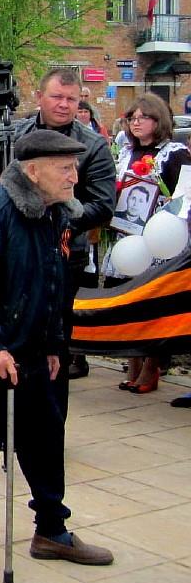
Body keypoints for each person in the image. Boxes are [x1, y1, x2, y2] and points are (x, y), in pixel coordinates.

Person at [0, 129, 114, 569]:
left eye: (75, 166)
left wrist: (55, 342)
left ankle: (52, 531)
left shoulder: (55, 213)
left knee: (45, 441)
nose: (75, 177)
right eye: (65, 168)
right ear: (32, 171)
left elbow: (53, 285)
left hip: (36, 354)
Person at [0, 67, 115, 385]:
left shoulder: (93, 145)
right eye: (57, 96)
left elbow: (102, 206)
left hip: (64, 249)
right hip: (8, 247)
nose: (63, 104)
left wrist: (51, 220)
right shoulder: (16, 132)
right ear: (39, 96)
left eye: (71, 99)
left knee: (51, 337)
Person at [111, 94, 190, 396]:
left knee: (152, 301)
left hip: (159, 240)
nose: (136, 122)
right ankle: (132, 362)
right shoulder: (125, 153)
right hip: (127, 236)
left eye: (144, 116)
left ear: (159, 120)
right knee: (129, 300)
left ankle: (151, 365)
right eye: (132, 117)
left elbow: (185, 195)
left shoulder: (174, 152)